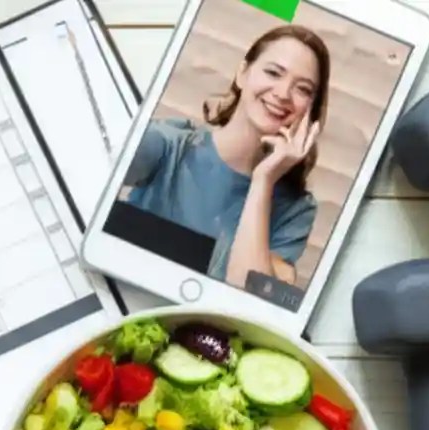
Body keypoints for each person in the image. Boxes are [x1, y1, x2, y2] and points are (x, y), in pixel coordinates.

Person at [124, 25, 330, 287]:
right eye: (273, 73)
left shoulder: (296, 210)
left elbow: (248, 295)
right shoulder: (169, 144)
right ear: (242, 73)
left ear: (310, 110)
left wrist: (263, 180)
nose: (282, 94)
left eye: (302, 89)